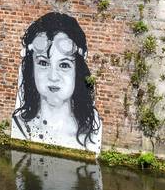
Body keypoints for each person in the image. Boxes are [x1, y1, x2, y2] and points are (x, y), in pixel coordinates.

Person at [11, 12, 101, 153]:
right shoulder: (20, 126)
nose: (53, 77)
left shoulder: (90, 132)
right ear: (31, 68)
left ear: (77, 70)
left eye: (64, 65)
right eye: (43, 63)